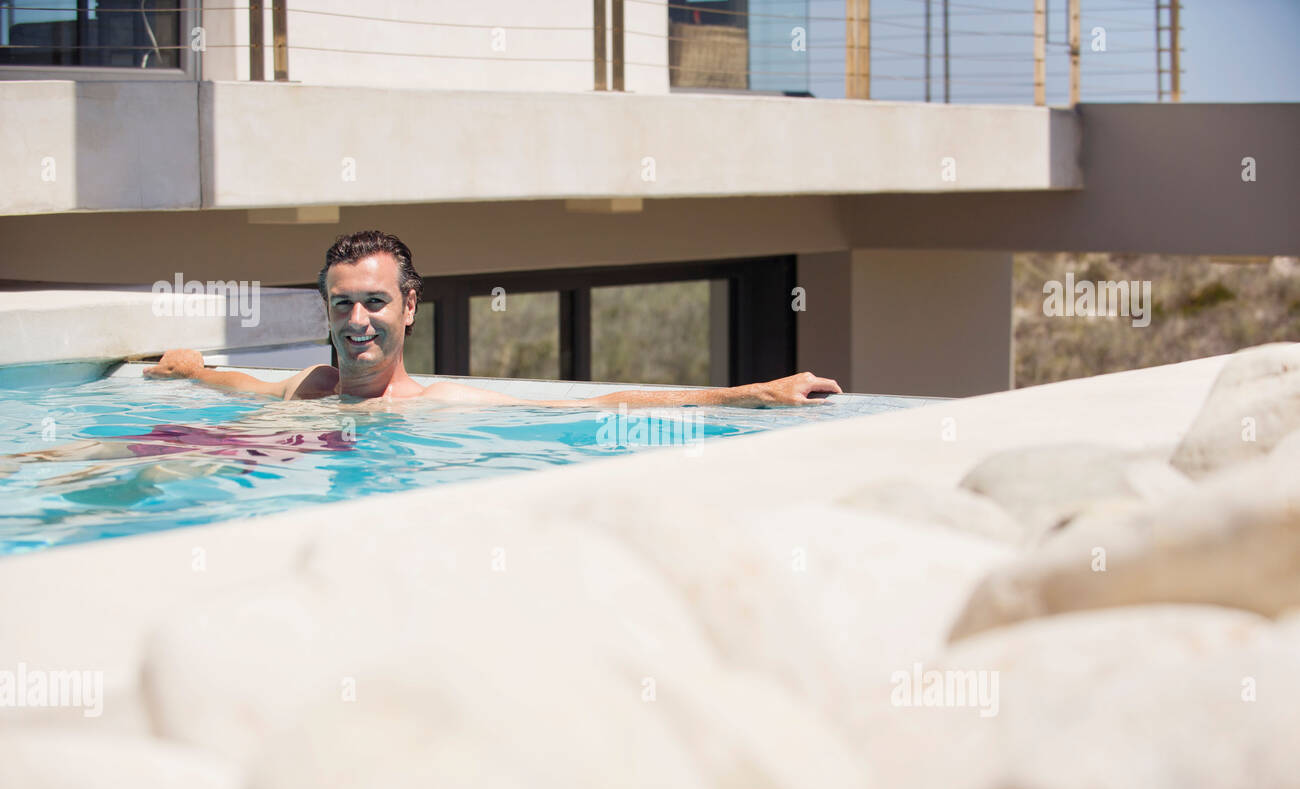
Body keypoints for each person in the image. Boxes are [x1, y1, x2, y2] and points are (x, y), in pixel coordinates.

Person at [144, 230, 842, 408]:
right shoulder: (305, 389)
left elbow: (600, 407)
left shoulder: (442, 408)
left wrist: (747, 394)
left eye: (376, 302)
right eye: (342, 304)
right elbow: (230, 385)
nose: (357, 320)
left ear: (410, 307)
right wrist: (193, 368)